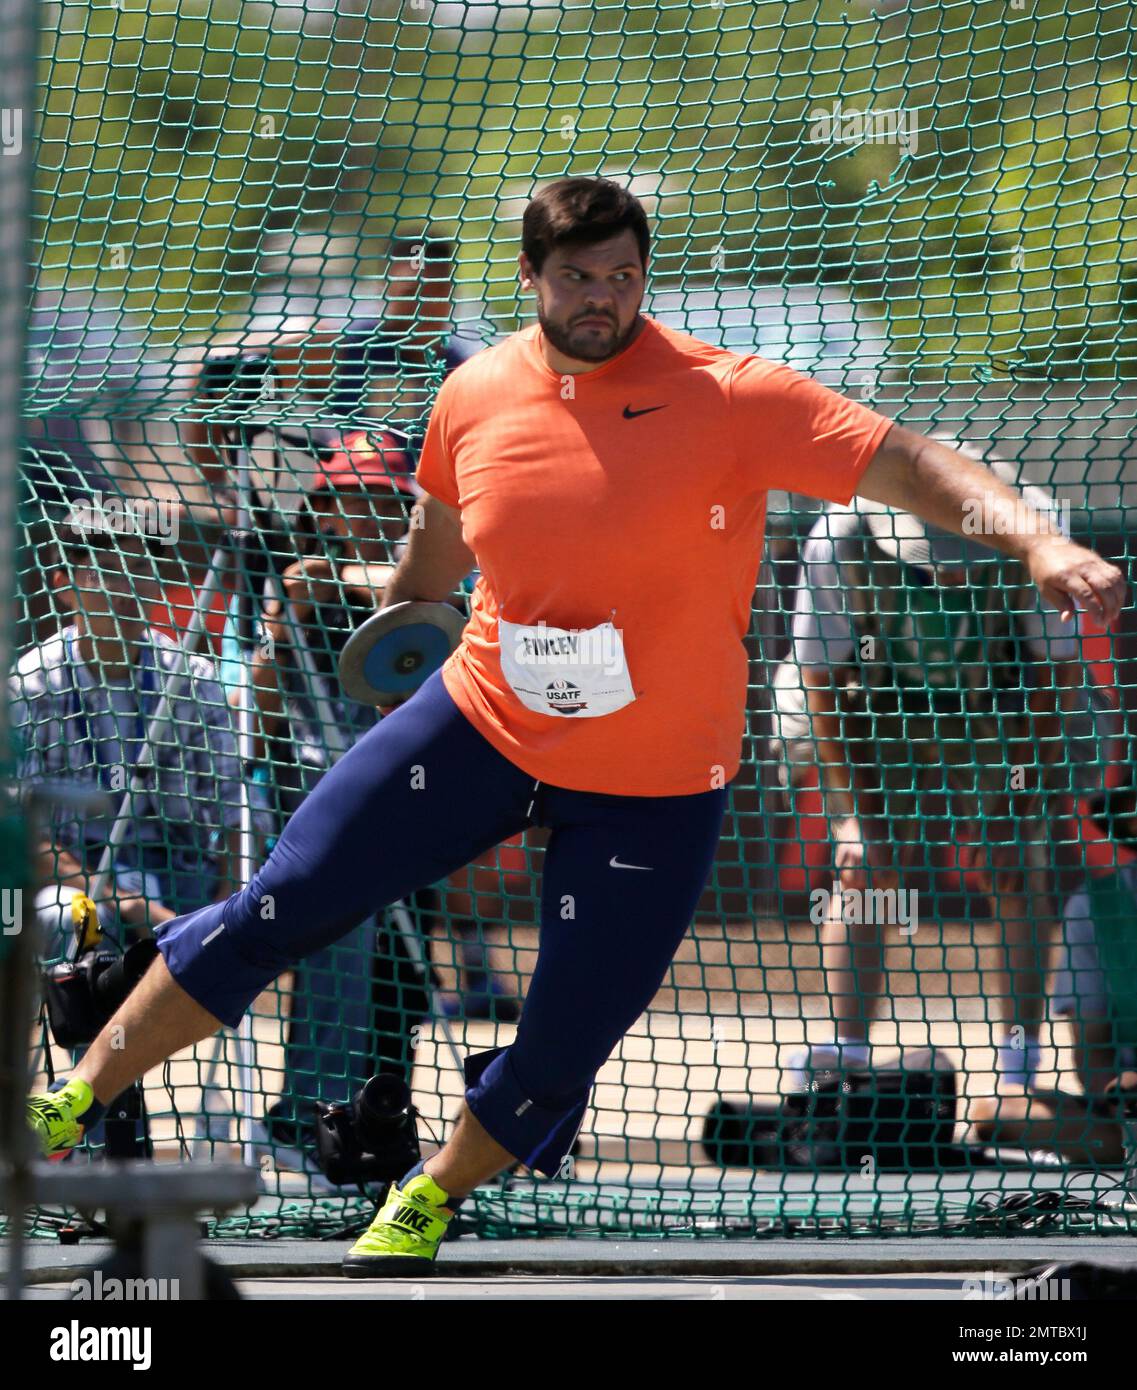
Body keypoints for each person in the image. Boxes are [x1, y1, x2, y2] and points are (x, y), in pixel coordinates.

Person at [26, 177, 1127, 1276]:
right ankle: (72, 1103)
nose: (602, 298)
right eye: (577, 278)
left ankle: (428, 1191)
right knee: (280, 904)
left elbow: (911, 462)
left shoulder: (730, 395)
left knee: (564, 1043)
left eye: (622, 277)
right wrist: (385, 608)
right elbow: (438, 555)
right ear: (530, 278)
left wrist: (1039, 545)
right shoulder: (474, 394)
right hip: (480, 723)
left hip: (652, 777)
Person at [769, 443, 1095, 1094]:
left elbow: (1050, 686)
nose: (948, 577)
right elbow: (826, 688)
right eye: (930, 566)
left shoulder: (1041, 532)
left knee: (1016, 861)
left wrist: (1014, 806)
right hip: (869, 694)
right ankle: (848, 1055)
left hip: (1000, 693)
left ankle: (1018, 1063)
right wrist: (859, 822)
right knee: (863, 869)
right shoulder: (840, 540)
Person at [967, 773, 1137, 1164]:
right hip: (1125, 1109)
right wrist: (1117, 1094)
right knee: (999, 1111)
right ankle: (1122, 1144)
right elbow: (1091, 1052)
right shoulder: (1094, 907)